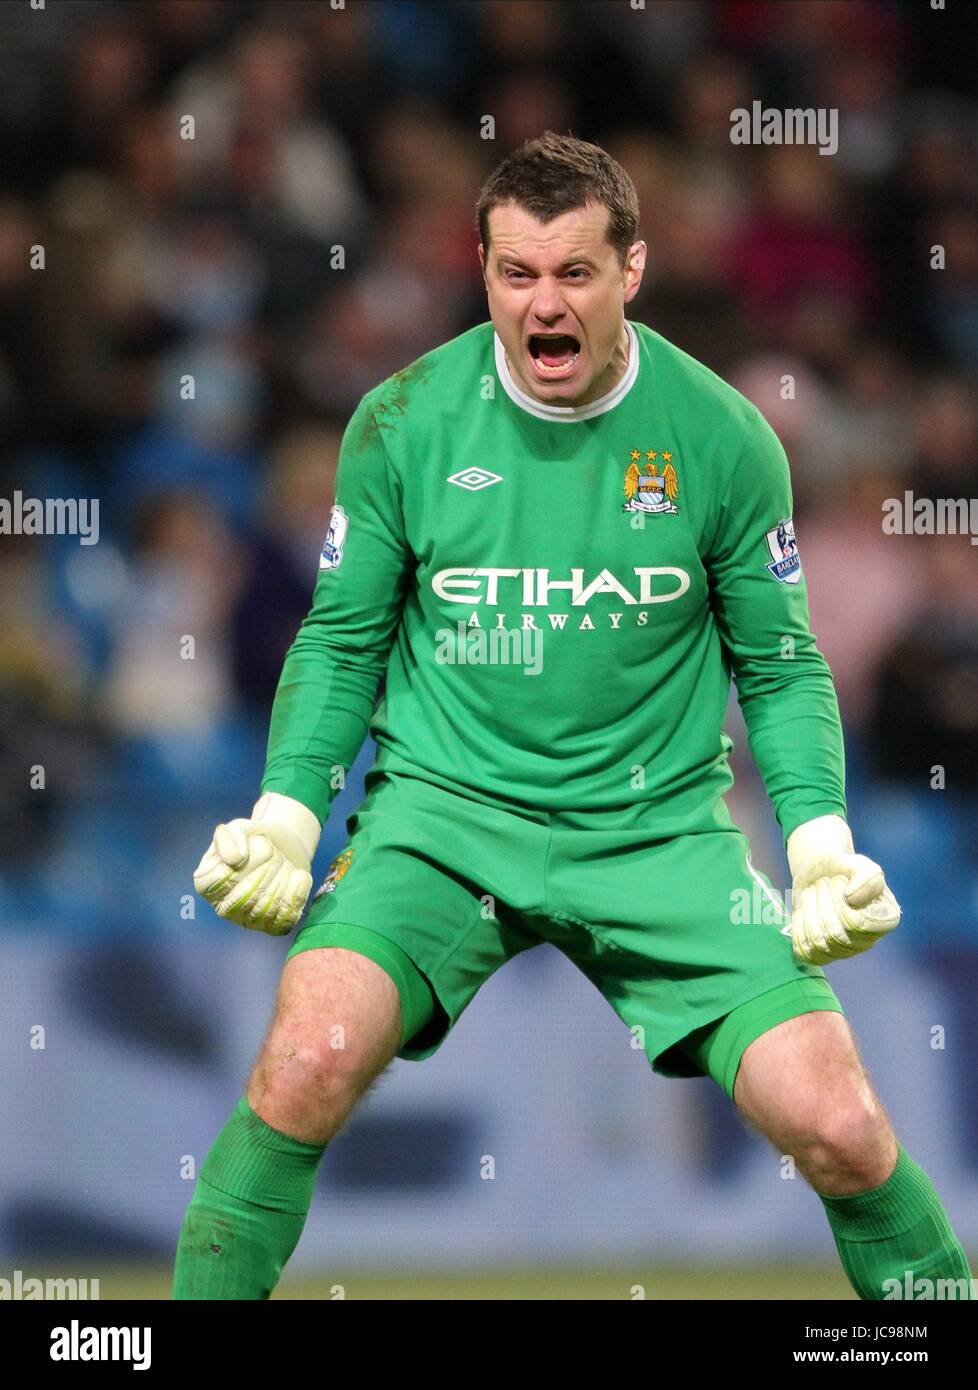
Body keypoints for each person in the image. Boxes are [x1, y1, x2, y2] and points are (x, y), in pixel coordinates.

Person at [173, 133, 972, 1300]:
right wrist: (290, 816)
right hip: (442, 823)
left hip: (657, 835)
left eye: (575, 273)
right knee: (303, 1060)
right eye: (516, 274)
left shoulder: (722, 438)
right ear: (484, 272)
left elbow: (781, 661)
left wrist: (818, 843)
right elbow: (342, 640)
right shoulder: (402, 424)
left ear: (632, 271)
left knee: (842, 1123)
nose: (543, 303)